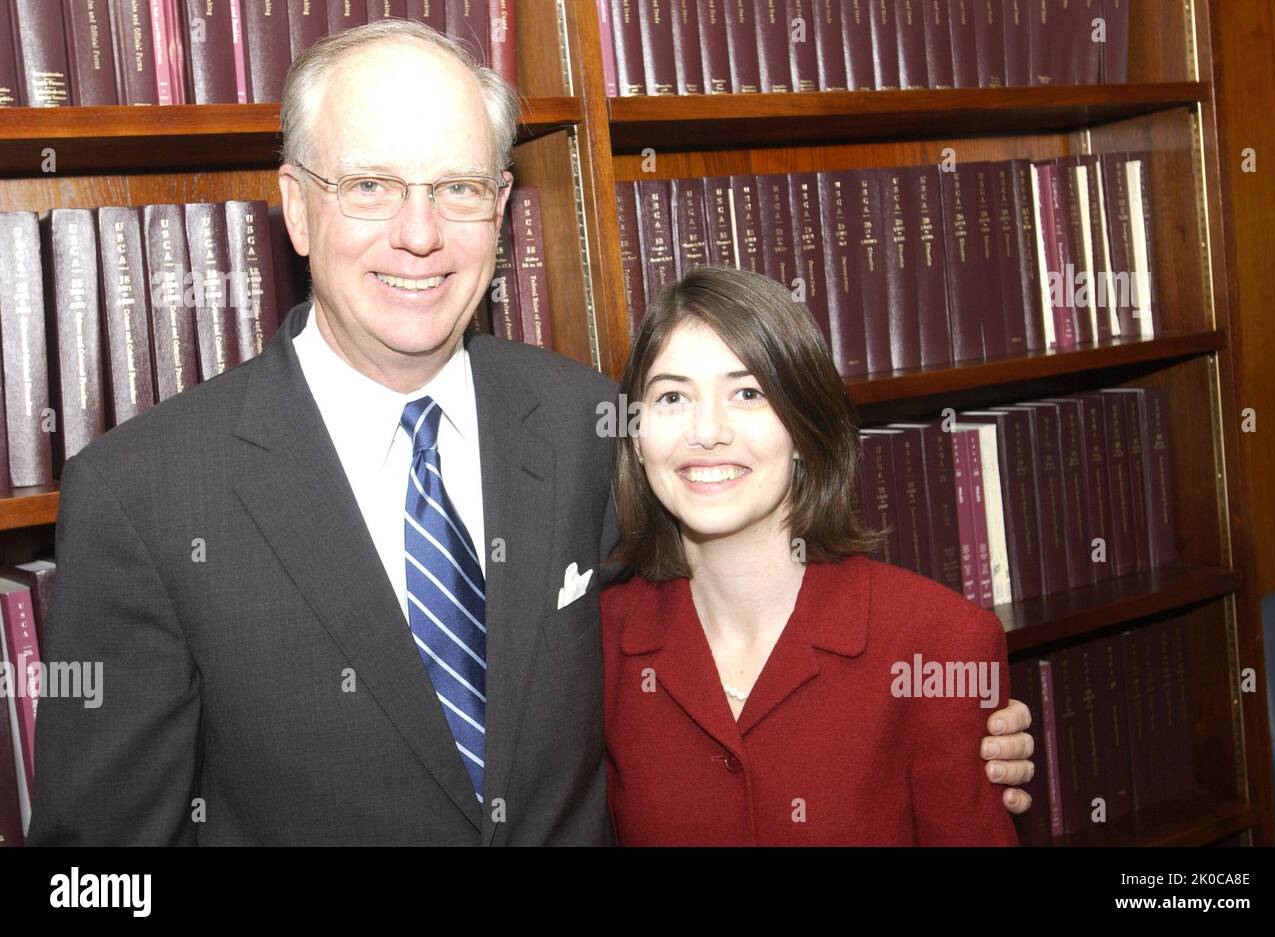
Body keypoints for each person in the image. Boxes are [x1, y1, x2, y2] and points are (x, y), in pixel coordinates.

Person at [28, 21, 1031, 846]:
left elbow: (731, 628)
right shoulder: (145, 493)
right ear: (295, 206)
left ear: (503, 210)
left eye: (460, 187)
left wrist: (942, 719)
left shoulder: (590, 422)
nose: (418, 234)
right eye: (369, 185)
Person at [602, 266, 1019, 844]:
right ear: (636, 435)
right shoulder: (596, 644)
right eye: (672, 396)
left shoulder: (939, 645)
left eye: (748, 393)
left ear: (803, 428)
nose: (706, 431)